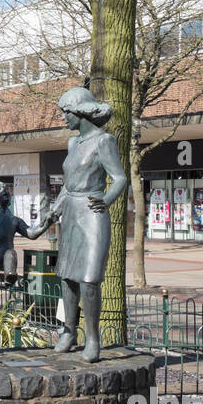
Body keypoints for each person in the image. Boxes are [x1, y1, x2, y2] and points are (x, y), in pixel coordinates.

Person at [34, 87, 128, 363]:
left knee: (89, 279)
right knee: (66, 276)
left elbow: (120, 178)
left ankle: (93, 339)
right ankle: (68, 331)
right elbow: (68, 184)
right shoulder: (72, 144)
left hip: (93, 212)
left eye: (66, 113)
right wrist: (54, 210)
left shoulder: (104, 141)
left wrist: (107, 200)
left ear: (81, 113)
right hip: (71, 212)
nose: (63, 118)